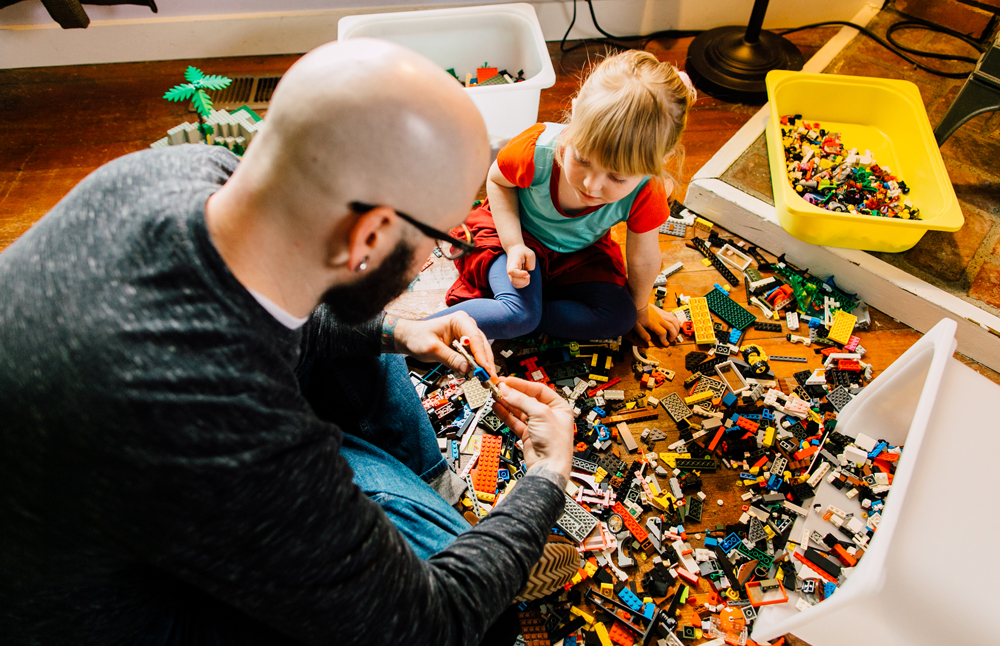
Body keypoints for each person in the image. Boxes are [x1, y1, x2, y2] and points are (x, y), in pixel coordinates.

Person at [0, 39, 578, 646]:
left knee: (366, 341)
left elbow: (282, 313)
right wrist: (545, 477)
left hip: (103, 487)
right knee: (486, 626)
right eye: (441, 239)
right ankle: (426, 531)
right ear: (370, 235)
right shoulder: (216, 417)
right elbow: (428, 627)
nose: (439, 254)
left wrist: (401, 331)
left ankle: (428, 500)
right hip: (123, 613)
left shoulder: (181, 172)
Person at [430, 50, 696, 346]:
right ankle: (409, 335)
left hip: (577, 255)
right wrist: (514, 243)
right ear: (574, 113)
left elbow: (643, 258)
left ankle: (521, 310)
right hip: (513, 235)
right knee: (520, 314)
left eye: (617, 177)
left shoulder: (647, 189)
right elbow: (497, 181)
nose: (592, 185)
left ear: (657, 162)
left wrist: (642, 309)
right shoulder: (536, 149)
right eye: (582, 158)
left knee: (622, 316)